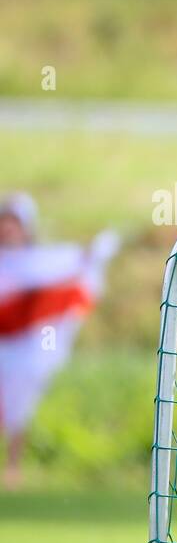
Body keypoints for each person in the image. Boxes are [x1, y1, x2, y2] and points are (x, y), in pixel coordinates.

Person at [0, 192, 118, 489]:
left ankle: (13, 469)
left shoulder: (39, 262)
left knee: (18, 408)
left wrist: (97, 251)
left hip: (23, 351)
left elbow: (73, 266)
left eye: (14, 223)